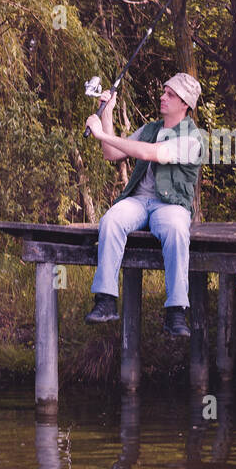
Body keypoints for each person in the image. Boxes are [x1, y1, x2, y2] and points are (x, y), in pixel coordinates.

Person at [83, 73, 204, 337]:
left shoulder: (194, 138)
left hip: (171, 205)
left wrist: (102, 133)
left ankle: (176, 312)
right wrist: (108, 114)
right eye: (164, 91)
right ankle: (105, 301)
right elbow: (111, 153)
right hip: (139, 201)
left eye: (170, 95)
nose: (163, 97)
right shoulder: (150, 129)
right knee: (111, 220)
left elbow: (153, 153)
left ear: (185, 104)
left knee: (176, 230)